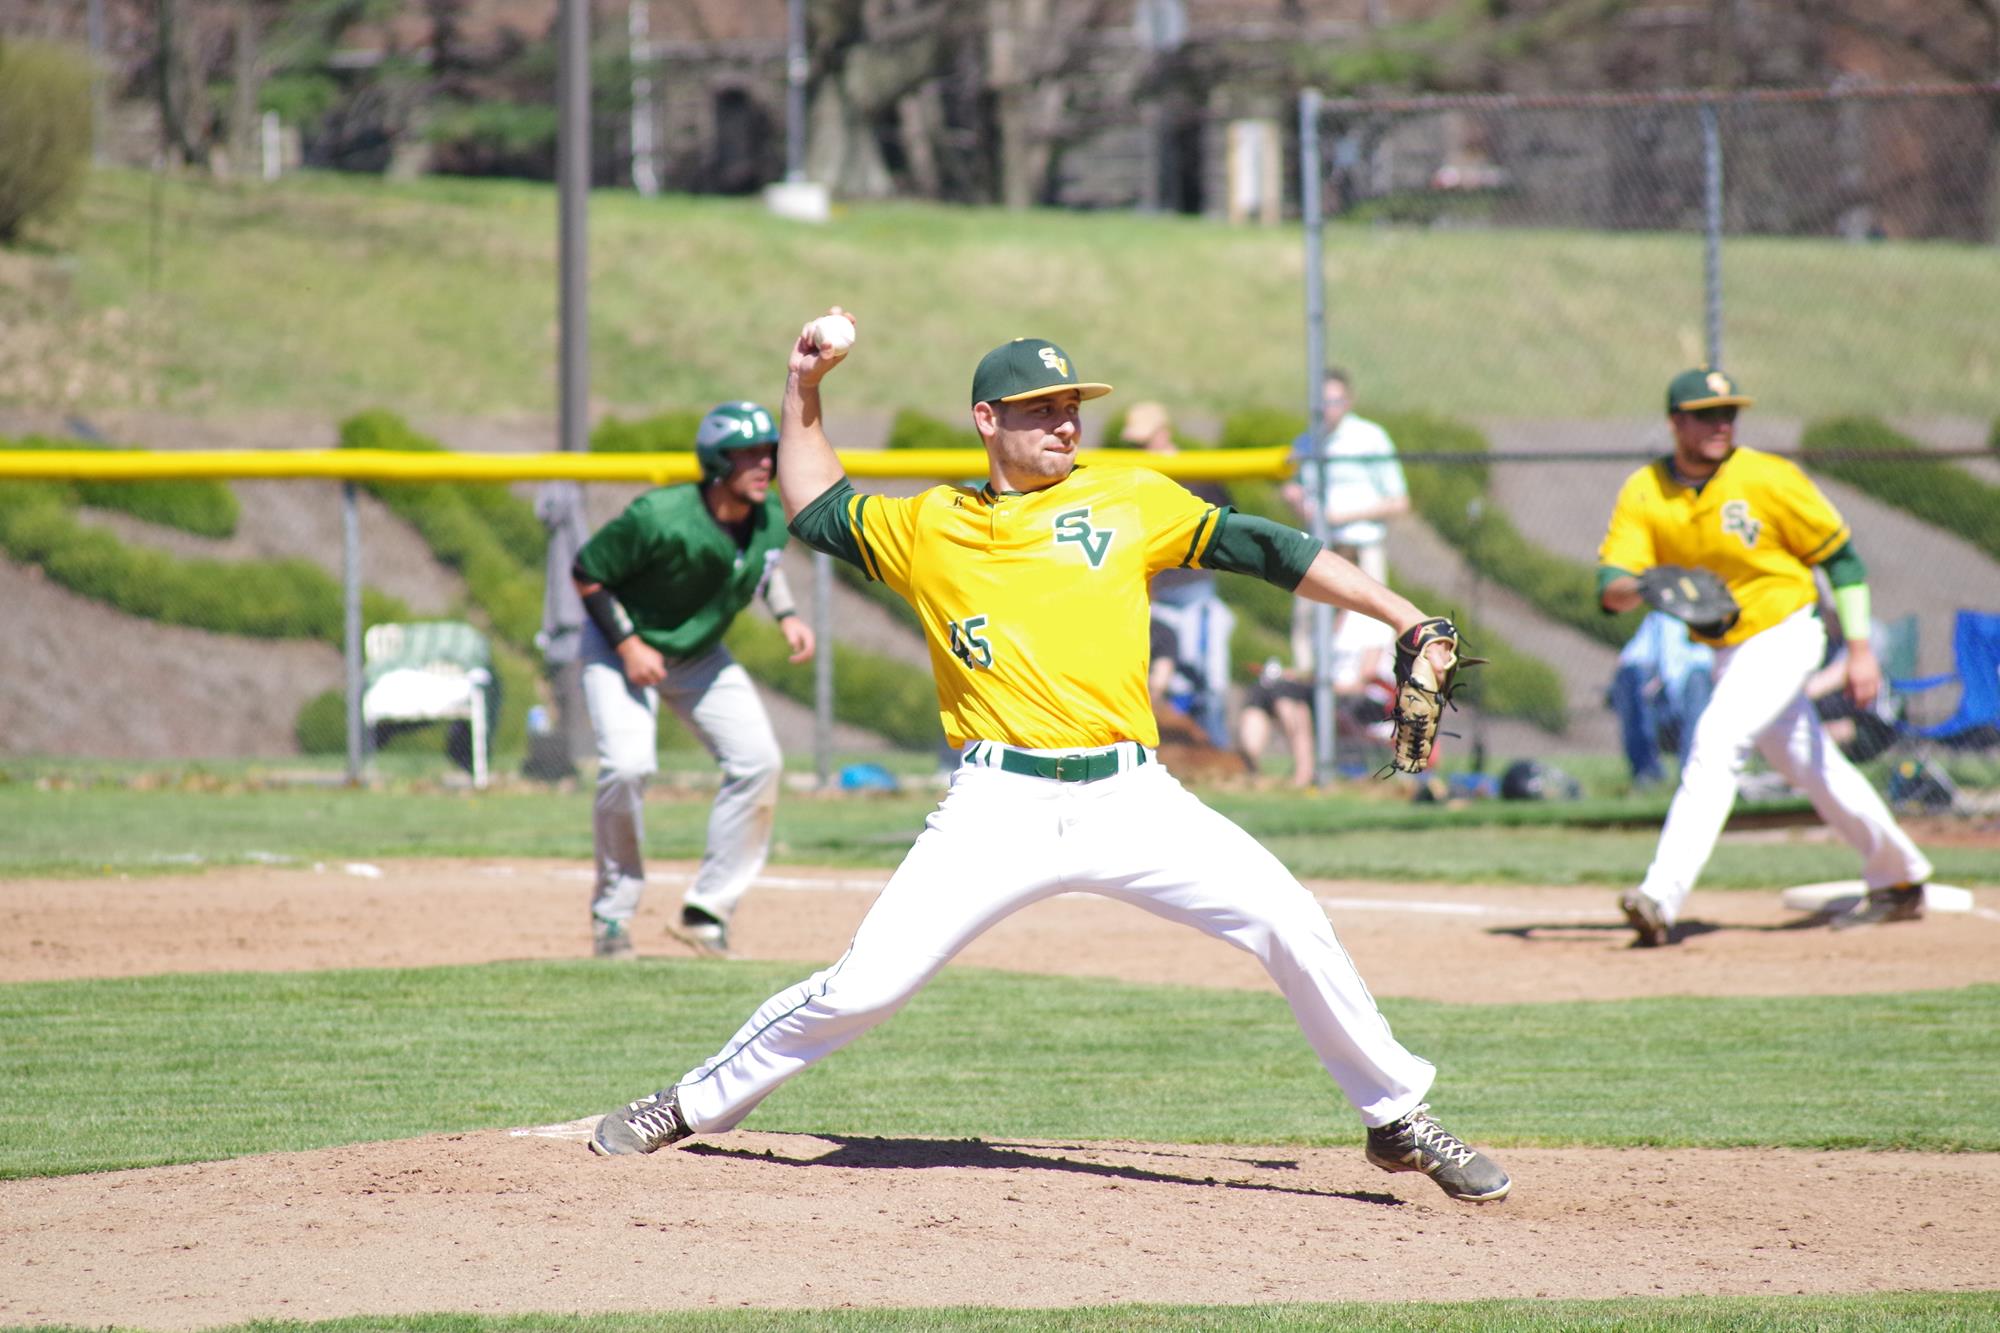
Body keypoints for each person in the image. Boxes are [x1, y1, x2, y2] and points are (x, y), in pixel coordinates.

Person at [588, 314, 1512, 1204]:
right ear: (988, 420)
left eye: (1071, 405)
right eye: (1039, 408)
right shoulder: (930, 527)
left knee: (1288, 918)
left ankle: (1395, 1115)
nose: (1064, 421)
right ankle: (690, 1102)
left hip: (1133, 797)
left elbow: (1268, 548)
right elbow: (815, 504)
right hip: (997, 805)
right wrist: (803, 386)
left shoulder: (1129, 499)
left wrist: (1397, 613)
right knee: (864, 986)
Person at [1595, 368, 1933, 947]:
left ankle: (1661, 895)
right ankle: (1900, 879)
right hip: (1729, 650)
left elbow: (1844, 562)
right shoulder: (1646, 491)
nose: (1721, 424)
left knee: (1716, 741)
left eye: (1729, 413)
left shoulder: (1769, 478)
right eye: (1706, 413)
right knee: (1812, 763)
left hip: (1786, 632)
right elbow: (1611, 589)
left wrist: (1858, 650)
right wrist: (1652, 584)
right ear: (1676, 421)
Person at [572, 401, 816, 960]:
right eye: (746, 454)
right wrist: (629, 645)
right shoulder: (659, 516)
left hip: (699, 654)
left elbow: (766, 564)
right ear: (715, 461)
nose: (762, 463)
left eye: (767, 452)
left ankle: (706, 912)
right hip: (619, 644)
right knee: (629, 766)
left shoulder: (770, 517)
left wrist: (787, 615)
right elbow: (588, 572)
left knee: (759, 762)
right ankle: (612, 916)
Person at [1119, 401, 1235, 748]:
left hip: (1193, 589)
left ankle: (1218, 750)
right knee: (1160, 682)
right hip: (1153, 591)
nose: (1139, 449)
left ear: (1163, 434)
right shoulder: (1132, 476)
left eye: (1145, 441)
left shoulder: (1195, 472)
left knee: (1207, 677)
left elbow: (1227, 523)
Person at [1236, 607, 1397, 785]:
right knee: (1262, 691)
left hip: (1366, 698)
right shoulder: (1323, 621)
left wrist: (1321, 686)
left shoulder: (1370, 622)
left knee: (1289, 697)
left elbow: (1364, 680)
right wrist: (1295, 676)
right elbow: (1320, 673)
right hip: (1326, 691)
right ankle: (1249, 767)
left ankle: (1303, 773)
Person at [1608, 610, 1715, 789]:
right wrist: (1660, 679)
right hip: (1658, 682)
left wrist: (1665, 679)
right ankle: (1649, 775)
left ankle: (1693, 776)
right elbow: (1637, 656)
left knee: (1697, 685)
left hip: (1686, 678)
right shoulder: (1664, 612)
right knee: (1633, 677)